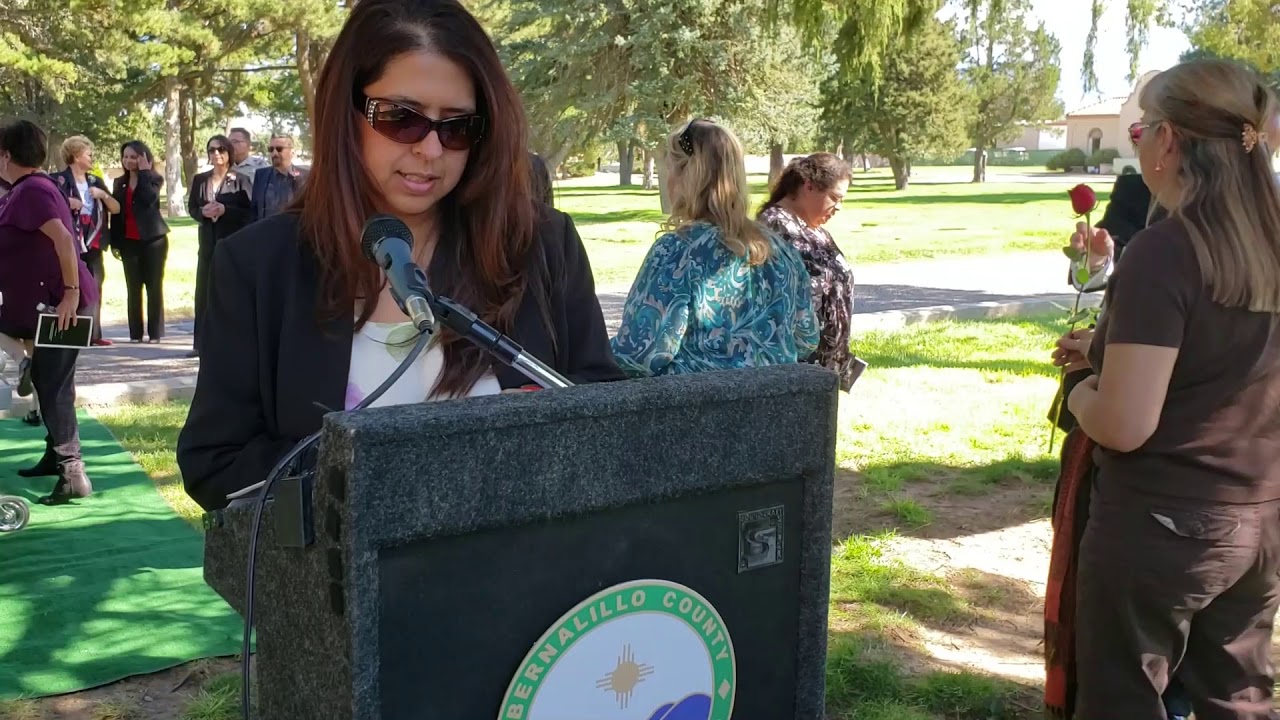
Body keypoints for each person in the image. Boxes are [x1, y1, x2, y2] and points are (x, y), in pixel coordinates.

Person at [175, 0, 624, 512]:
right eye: (401, 119)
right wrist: (382, 468)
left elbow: (607, 411)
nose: (431, 150)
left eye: (457, 126)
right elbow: (215, 464)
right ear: (346, 113)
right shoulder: (258, 265)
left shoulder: (541, 243)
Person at [1052, 60, 1280, 719]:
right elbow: (1225, 353)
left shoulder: (1166, 250)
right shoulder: (1265, 243)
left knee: (1123, 699)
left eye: (1142, 128)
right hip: (1260, 517)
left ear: (1170, 140)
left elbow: (1124, 424)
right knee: (1238, 699)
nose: (1139, 142)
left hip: (1163, 521)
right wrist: (1106, 348)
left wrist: (1079, 385)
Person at [610, 119, 818, 377]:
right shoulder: (781, 250)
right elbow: (806, 338)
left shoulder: (677, 251)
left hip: (695, 400)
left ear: (687, 175)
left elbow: (639, 355)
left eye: (670, 169)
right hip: (774, 399)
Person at [0, 120, 99, 503]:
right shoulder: (26, 189)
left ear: (7, 155)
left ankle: (73, 472)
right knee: (51, 382)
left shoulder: (33, 190)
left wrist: (70, 294)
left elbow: (62, 239)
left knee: (53, 385)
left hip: (64, 305)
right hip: (52, 305)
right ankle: (54, 453)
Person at [757, 153, 859, 391]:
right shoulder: (774, 228)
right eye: (834, 197)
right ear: (809, 186)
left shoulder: (815, 230)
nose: (838, 207)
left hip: (824, 369)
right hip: (794, 370)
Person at [187, 134, 252, 358]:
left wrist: (226, 211)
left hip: (231, 243)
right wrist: (202, 212)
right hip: (207, 243)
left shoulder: (241, 180)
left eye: (221, 149)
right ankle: (201, 343)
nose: (216, 154)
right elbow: (192, 208)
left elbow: (248, 212)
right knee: (203, 292)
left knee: (230, 293)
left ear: (229, 153)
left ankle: (232, 342)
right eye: (212, 150)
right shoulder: (200, 179)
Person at [52, 136, 119, 347]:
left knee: (95, 285)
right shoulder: (58, 180)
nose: (92, 158)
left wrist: (103, 195)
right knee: (71, 286)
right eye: (88, 154)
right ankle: (71, 332)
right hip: (70, 242)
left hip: (94, 242)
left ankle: (94, 334)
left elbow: (116, 208)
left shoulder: (95, 181)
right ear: (76, 156)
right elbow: (49, 203)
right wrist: (67, 202)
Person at [109, 141, 169, 344]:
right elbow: (116, 213)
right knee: (133, 287)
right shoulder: (119, 182)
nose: (128, 161)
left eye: (133, 157)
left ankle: (155, 333)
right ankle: (135, 334)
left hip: (153, 240)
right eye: (125, 156)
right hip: (128, 241)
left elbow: (149, 199)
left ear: (143, 158)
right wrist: (115, 242)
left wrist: (144, 173)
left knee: (154, 286)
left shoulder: (154, 179)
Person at [250, 133, 309, 221]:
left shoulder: (305, 176)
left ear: (292, 152)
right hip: (265, 228)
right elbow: (254, 209)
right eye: (271, 149)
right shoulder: (261, 175)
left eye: (279, 149)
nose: (274, 153)